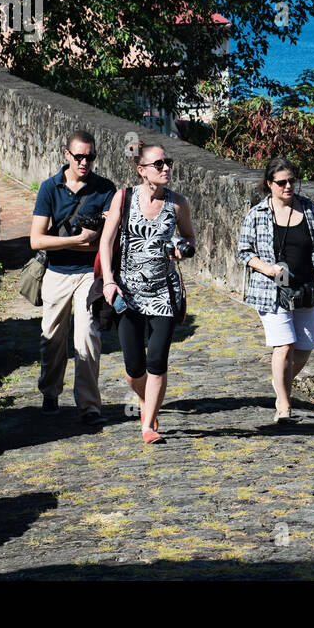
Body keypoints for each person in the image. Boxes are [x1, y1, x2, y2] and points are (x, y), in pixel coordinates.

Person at [99, 143, 196, 444]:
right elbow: (106, 242)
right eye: (158, 164)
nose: (166, 168)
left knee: (156, 361)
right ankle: (147, 403)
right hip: (127, 293)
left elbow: (190, 239)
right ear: (141, 170)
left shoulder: (178, 204)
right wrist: (108, 281)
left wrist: (184, 249)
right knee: (133, 368)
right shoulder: (123, 198)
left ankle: (149, 423)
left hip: (165, 294)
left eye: (167, 163)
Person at [238, 158, 314, 423]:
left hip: (306, 287)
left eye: (291, 181)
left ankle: (280, 383)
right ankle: (284, 407)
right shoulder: (258, 213)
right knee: (284, 345)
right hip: (272, 290)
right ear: (269, 184)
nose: (288, 186)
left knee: (305, 347)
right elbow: (244, 251)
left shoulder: (308, 208)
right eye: (281, 182)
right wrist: (266, 268)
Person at [30, 130, 117, 425]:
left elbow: (111, 237)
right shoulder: (49, 188)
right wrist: (76, 241)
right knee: (52, 337)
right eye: (78, 156)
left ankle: (89, 406)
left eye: (89, 156)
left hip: (89, 274)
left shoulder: (105, 188)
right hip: (56, 272)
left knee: (87, 336)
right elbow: (37, 241)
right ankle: (50, 391)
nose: (84, 162)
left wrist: (90, 242)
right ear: (66, 155)